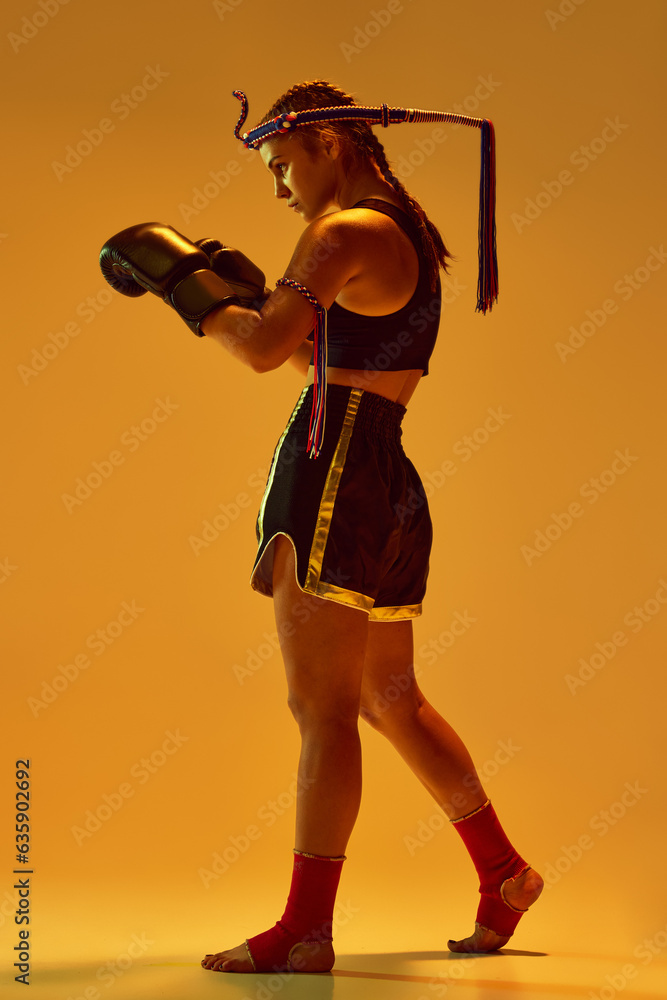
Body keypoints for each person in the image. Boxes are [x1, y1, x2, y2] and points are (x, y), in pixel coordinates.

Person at [99, 80, 543, 977]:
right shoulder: (402, 231)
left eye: (278, 166)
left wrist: (183, 287)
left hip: (332, 467)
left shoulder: (340, 232)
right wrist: (255, 295)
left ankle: (305, 927)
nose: (278, 189)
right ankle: (502, 872)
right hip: (389, 473)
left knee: (321, 707)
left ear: (328, 144)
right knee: (387, 698)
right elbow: (323, 344)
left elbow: (266, 351)